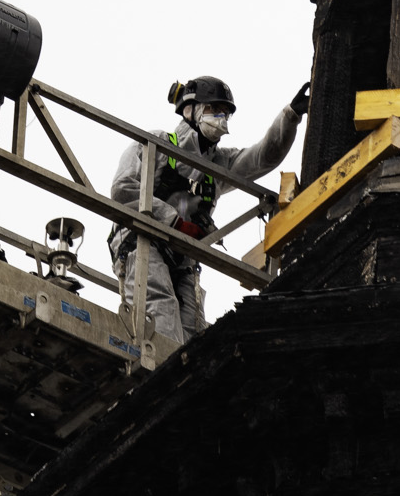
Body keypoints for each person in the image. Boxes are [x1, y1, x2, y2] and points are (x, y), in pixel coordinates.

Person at [108, 75, 309, 343]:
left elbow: (263, 157)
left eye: (225, 113)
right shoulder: (156, 143)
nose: (221, 118)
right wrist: (173, 221)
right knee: (160, 315)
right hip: (142, 240)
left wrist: (291, 115)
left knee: (193, 337)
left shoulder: (218, 164)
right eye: (214, 110)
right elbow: (123, 189)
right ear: (191, 110)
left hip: (183, 255)